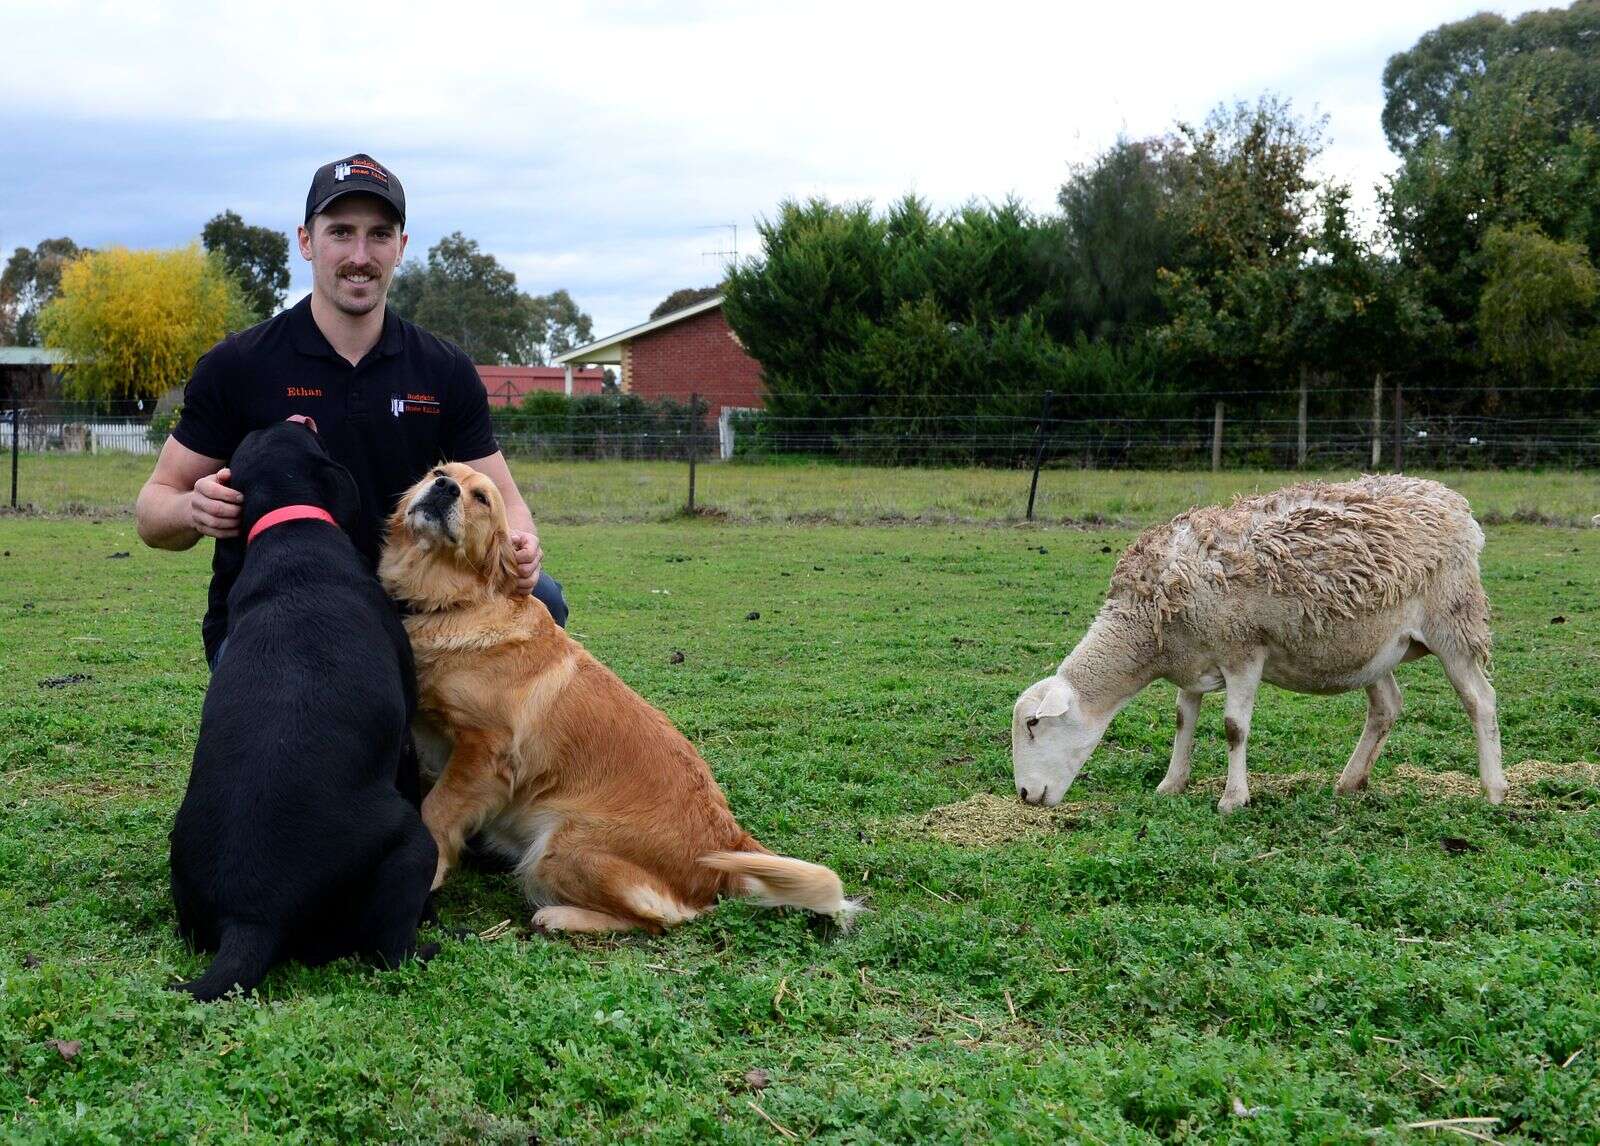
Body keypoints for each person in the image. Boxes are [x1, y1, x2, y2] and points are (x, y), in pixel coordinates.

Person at [135, 153, 566, 668]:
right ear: (306, 241)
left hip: (408, 601)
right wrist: (191, 510)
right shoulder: (239, 364)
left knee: (547, 599)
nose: (361, 254)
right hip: (281, 608)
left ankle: (464, 730)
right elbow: (152, 509)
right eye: (341, 232)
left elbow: (509, 505)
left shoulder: (443, 369)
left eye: (379, 234)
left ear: (401, 247)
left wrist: (522, 547)